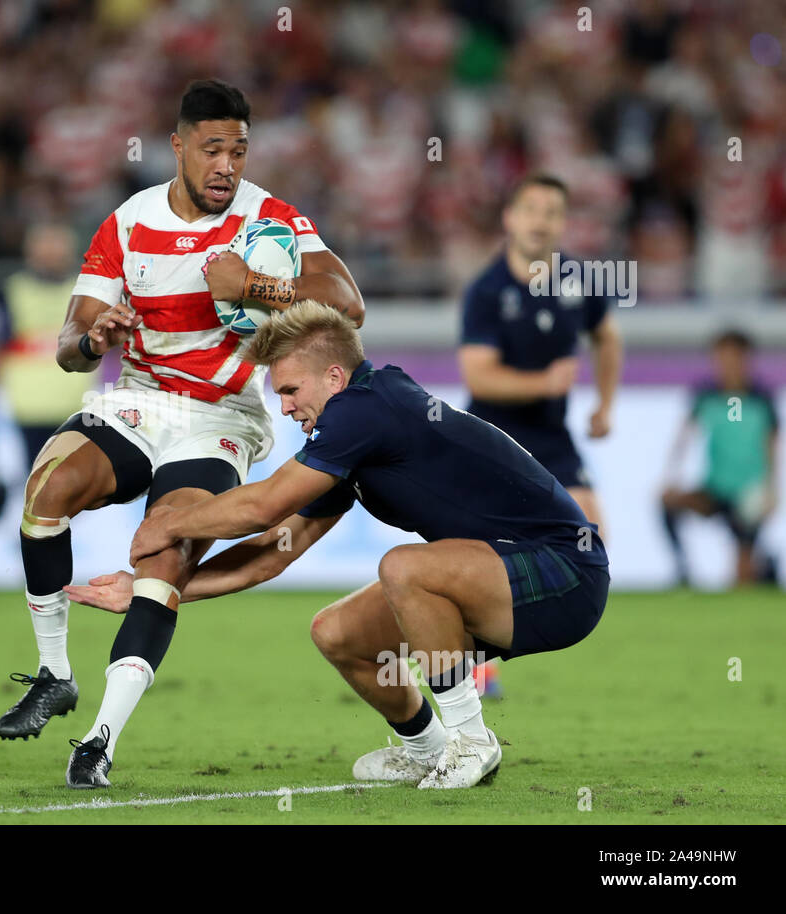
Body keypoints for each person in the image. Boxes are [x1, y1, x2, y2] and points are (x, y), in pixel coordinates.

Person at [0, 80, 364, 792]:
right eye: (213, 149)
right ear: (179, 146)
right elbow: (71, 340)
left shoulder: (270, 220)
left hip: (222, 416)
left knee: (163, 543)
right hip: (138, 400)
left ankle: (100, 739)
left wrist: (255, 286)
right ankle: (54, 673)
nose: (228, 165)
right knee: (47, 488)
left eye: (240, 150)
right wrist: (93, 335)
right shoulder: (129, 223)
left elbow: (349, 303)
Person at [68, 300, 610, 788]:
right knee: (339, 632)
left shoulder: (366, 408)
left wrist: (172, 522)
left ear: (333, 376)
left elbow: (262, 506)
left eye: (289, 390)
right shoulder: (349, 433)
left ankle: (471, 740)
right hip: (497, 574)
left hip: (564, 572)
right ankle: (428, 749)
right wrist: (153, 588)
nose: (284, 408)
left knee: (404, 567)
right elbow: (272, 553)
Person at [457, 173, 623, 697]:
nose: (540, 220)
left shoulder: (578, 279)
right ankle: (479, 661)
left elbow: (608, 336)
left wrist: (605, 403)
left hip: (551, 436)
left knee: (592, 533)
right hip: (493, 437)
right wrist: (544, 382)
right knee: (484, 550)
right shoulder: (486, 291)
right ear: (510, 218)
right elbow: (478, 376)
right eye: (530, 209)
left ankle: (510, 640)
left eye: (552, 211)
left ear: (562, 222)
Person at [0, 223, 99, 473]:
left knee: (76, 483)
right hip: (29, 407)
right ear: (29, 251)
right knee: (38, 480)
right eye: (45, 246)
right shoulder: (14, 291)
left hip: (75, 405)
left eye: (57, 246)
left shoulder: (88, 291)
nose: (51, 254)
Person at [661, 330, 779, 586]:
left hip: (748, 494)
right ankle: (683, 571)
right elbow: (685, 438)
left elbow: (772, 446)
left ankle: (765, 567)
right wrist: (672, 477)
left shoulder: (761, 399)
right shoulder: (706, 395)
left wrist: (772, 490)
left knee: (741, 580)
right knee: (668, 502)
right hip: (715, 489)